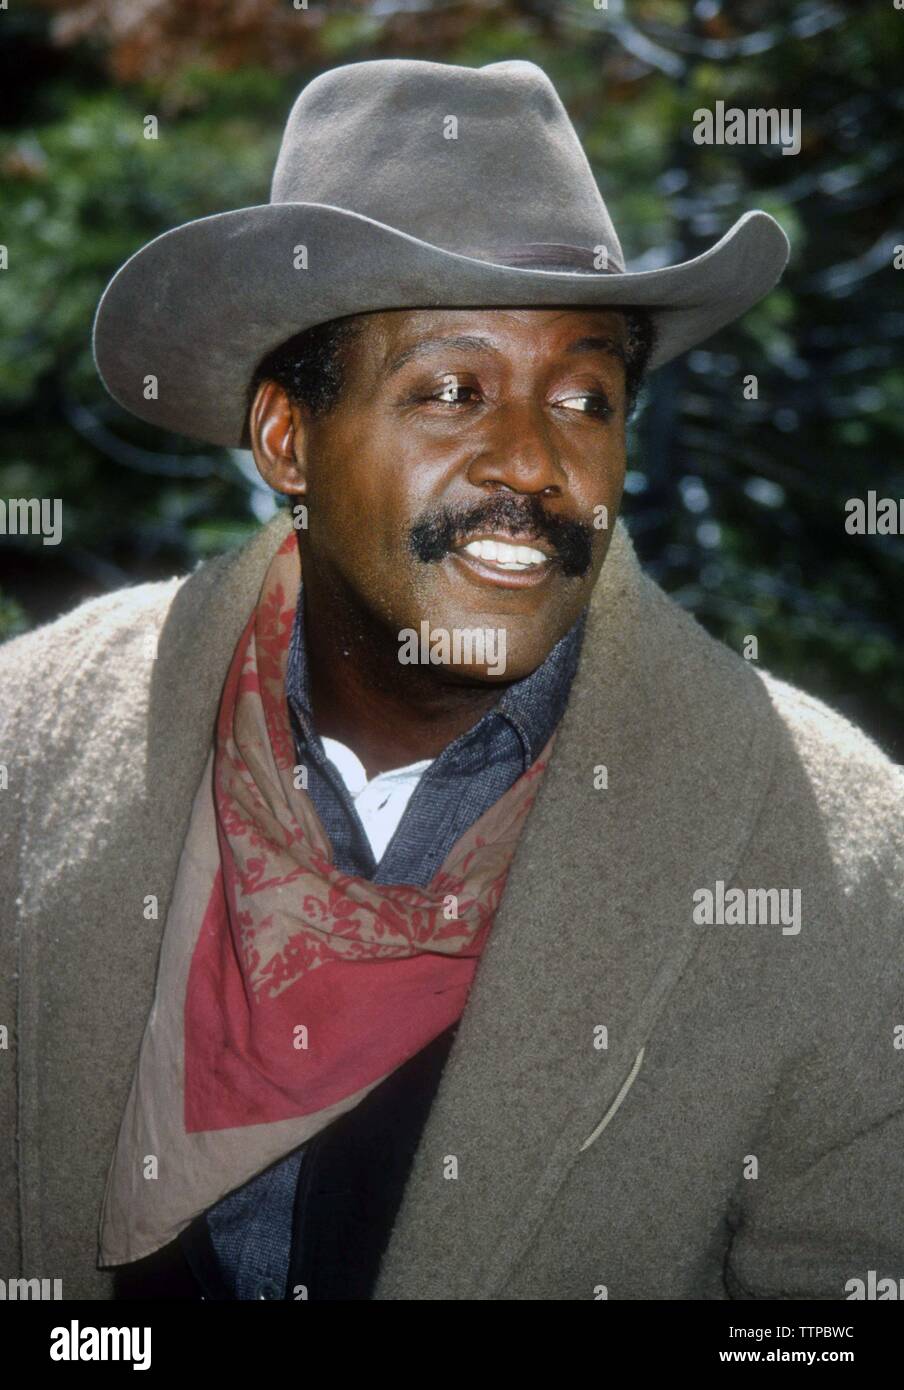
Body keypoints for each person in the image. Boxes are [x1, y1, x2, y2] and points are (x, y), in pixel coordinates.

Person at [1, 58, 901, 1302]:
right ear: (287, 439)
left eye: (586, 396)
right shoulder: (27, 746)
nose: (532, 461)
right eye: (451, 391)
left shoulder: (837, 857)